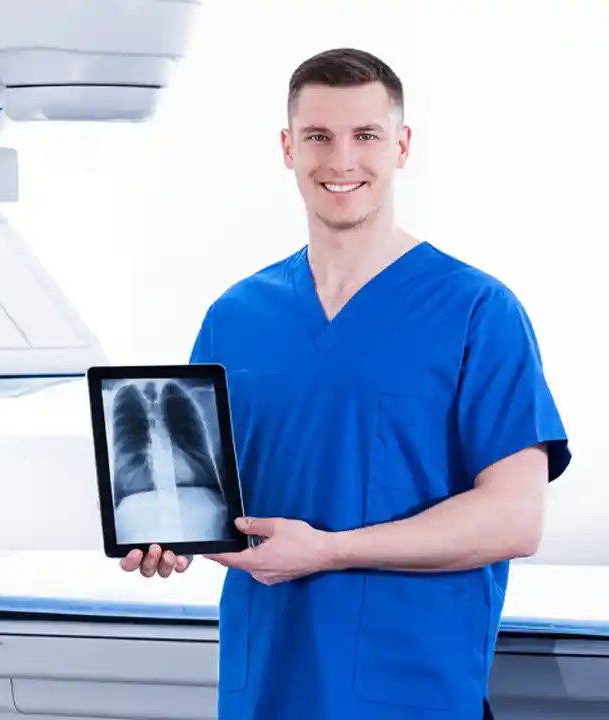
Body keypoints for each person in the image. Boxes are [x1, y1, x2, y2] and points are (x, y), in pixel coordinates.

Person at [120, 48, 571, 720]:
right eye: (318, 137)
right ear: (287, 147)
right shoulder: (236, 317)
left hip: (412, 691)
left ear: (401, 145)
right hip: (267, 688)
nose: (341, 162)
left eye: (365, 136)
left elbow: (515, 517)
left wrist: (329, 551)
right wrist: (172, 538)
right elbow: (216, 506)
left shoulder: (478, 311)